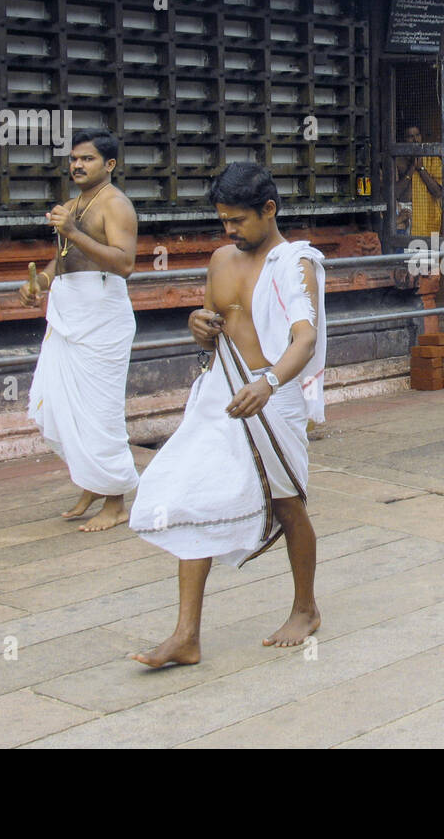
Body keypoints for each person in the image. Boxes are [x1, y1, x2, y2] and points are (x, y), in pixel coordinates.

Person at [128, 162, 327, 665]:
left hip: (271, 396)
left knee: (287, 503)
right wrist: (197, 323)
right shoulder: (219, 259)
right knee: (192, 495)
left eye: (238, 220)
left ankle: (306, 608)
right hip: (223, 392)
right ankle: (186, 635)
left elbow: (304, 338)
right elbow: (214, 321)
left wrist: (269, 382)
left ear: (269, 209)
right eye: (223, 221)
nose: (230, 231)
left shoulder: (295, 264)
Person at [21, 129, 139, 531]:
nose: (77, 165)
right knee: (56, 403)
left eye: (87, 159)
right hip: (68, 314)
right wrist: (40, 284)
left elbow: (124, 264)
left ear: (109, 165)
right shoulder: (73, 204)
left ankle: (116, 502)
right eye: (73, 159)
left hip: (101, 319)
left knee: (98, 412)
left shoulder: (116, 205)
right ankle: (90, 481)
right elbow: (64, 260)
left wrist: (71, 231)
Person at [394, 123, 443, 235]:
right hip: (403, 214)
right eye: (410, 137)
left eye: (417, 135)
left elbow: (438, 192)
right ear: (403, 139)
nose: (415, 140)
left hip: (426, 214)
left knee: (426, 249)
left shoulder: (432, 158)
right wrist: (411, 170)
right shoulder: (397, 160)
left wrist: (421, 169)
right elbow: (394, 193)